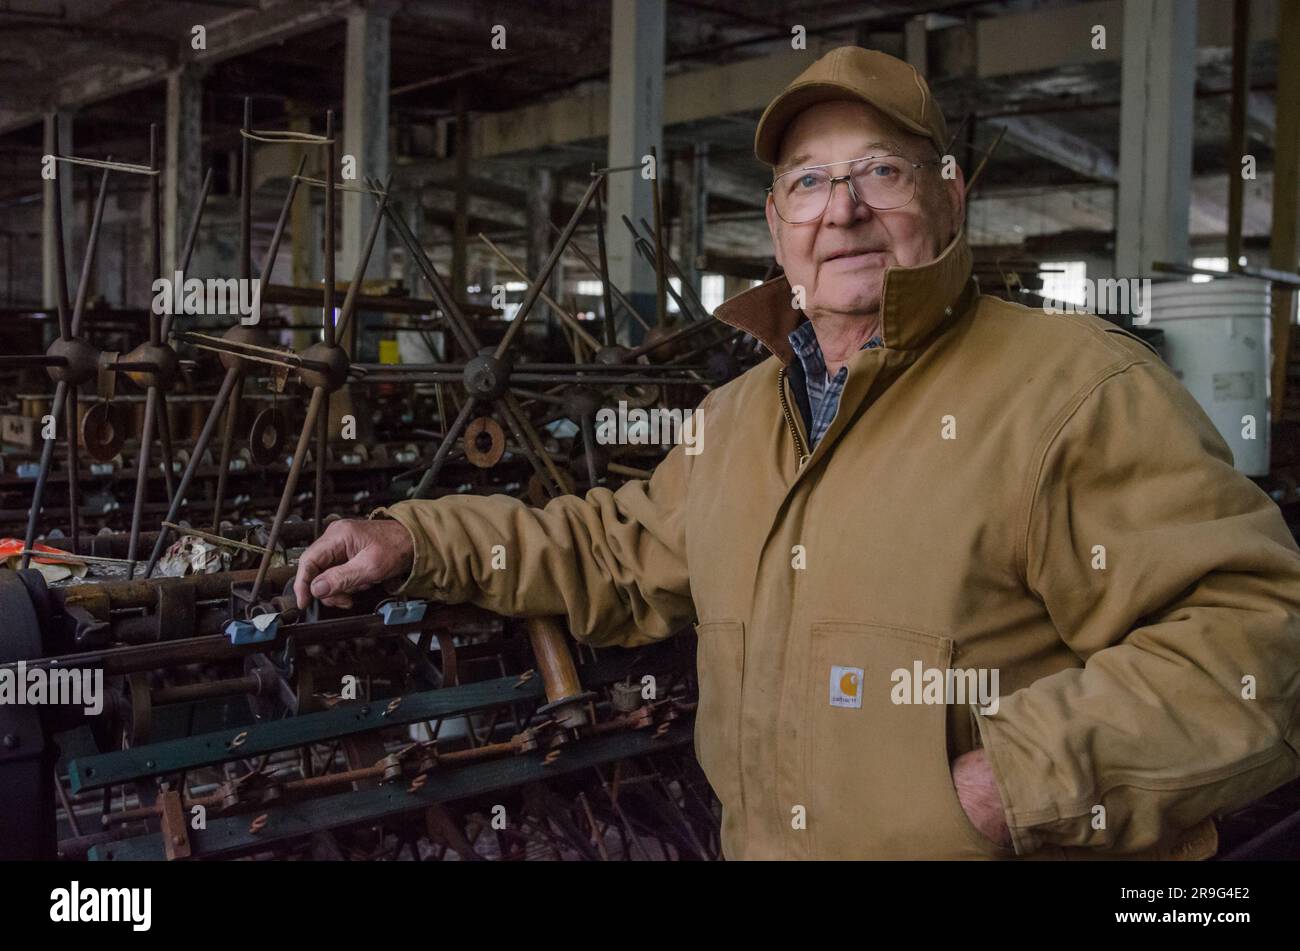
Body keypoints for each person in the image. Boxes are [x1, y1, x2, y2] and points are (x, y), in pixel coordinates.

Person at [295, 46, 1300, 860]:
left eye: (880, 172)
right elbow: (616, 550)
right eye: (809, 181)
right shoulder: (740, 417)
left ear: (949, 195)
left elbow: (1257, 638)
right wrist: (415, 539)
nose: (843, 208)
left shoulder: (1076, 391)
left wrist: (1004, 790)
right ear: (777, 224)